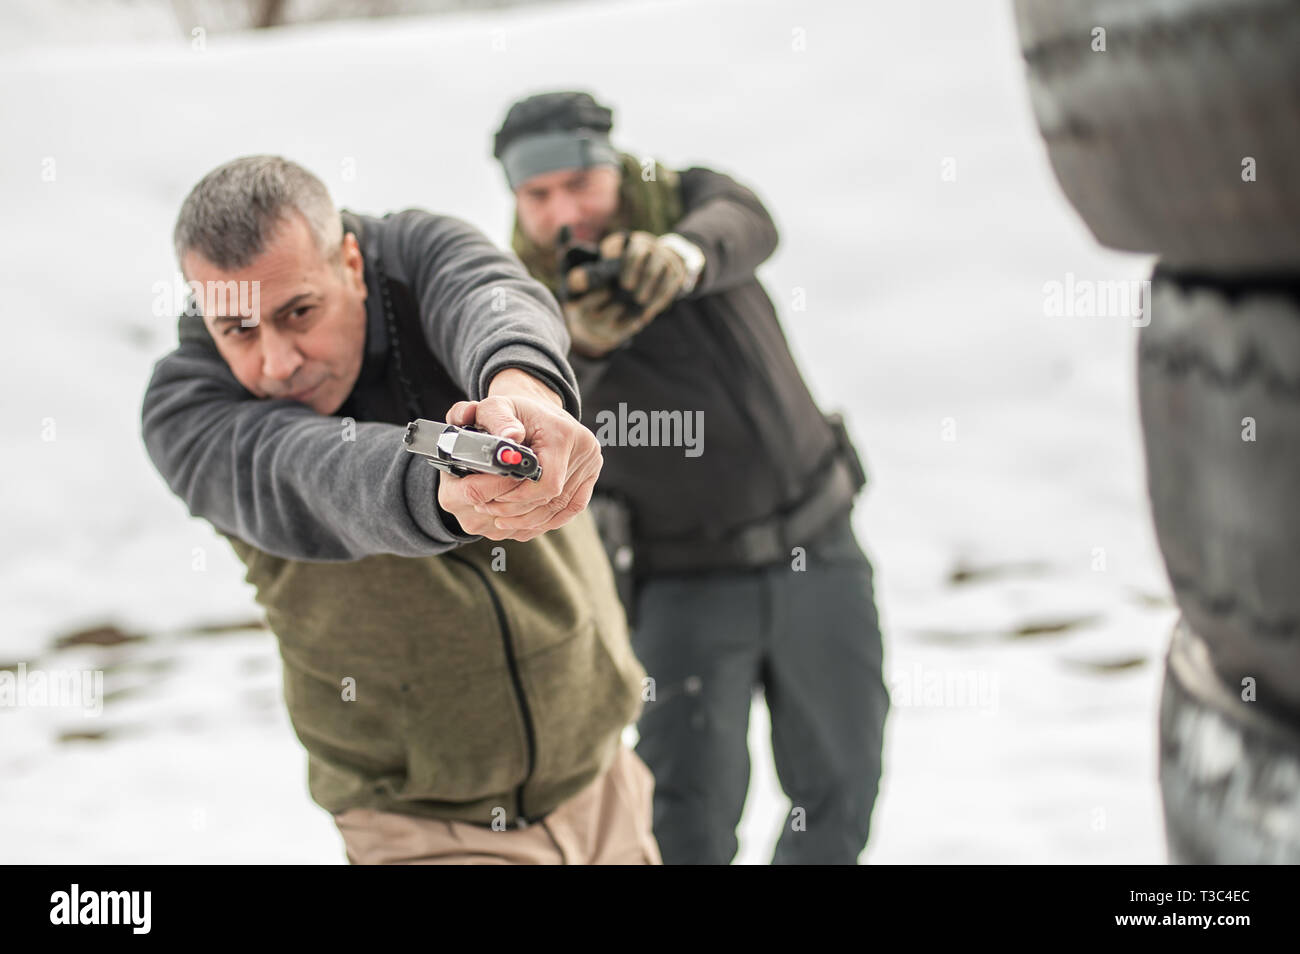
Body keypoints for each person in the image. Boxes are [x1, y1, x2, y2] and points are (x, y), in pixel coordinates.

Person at [140, 155, 658, 865]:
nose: (277, 362)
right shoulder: (186, 413)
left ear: (350, 262)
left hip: (599, 781)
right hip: (419, 821)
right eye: (238, 331)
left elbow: (491, 292)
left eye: (298, 312)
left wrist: (525, 394)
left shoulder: (414, 254)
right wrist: (441, 486)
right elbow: (314, 470)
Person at [491, 91, 891, 864]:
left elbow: (748, 224)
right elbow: (528, 400)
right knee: (687, 818)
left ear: (612, 169)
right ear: (515, 198)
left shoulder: (688, 201)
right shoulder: (517, 303)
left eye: (581, 184)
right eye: (539, 196)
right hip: (681, 584)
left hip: (820, 546)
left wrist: (679, 260)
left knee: (842, 783)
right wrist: (583, 345)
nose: (565, 211)